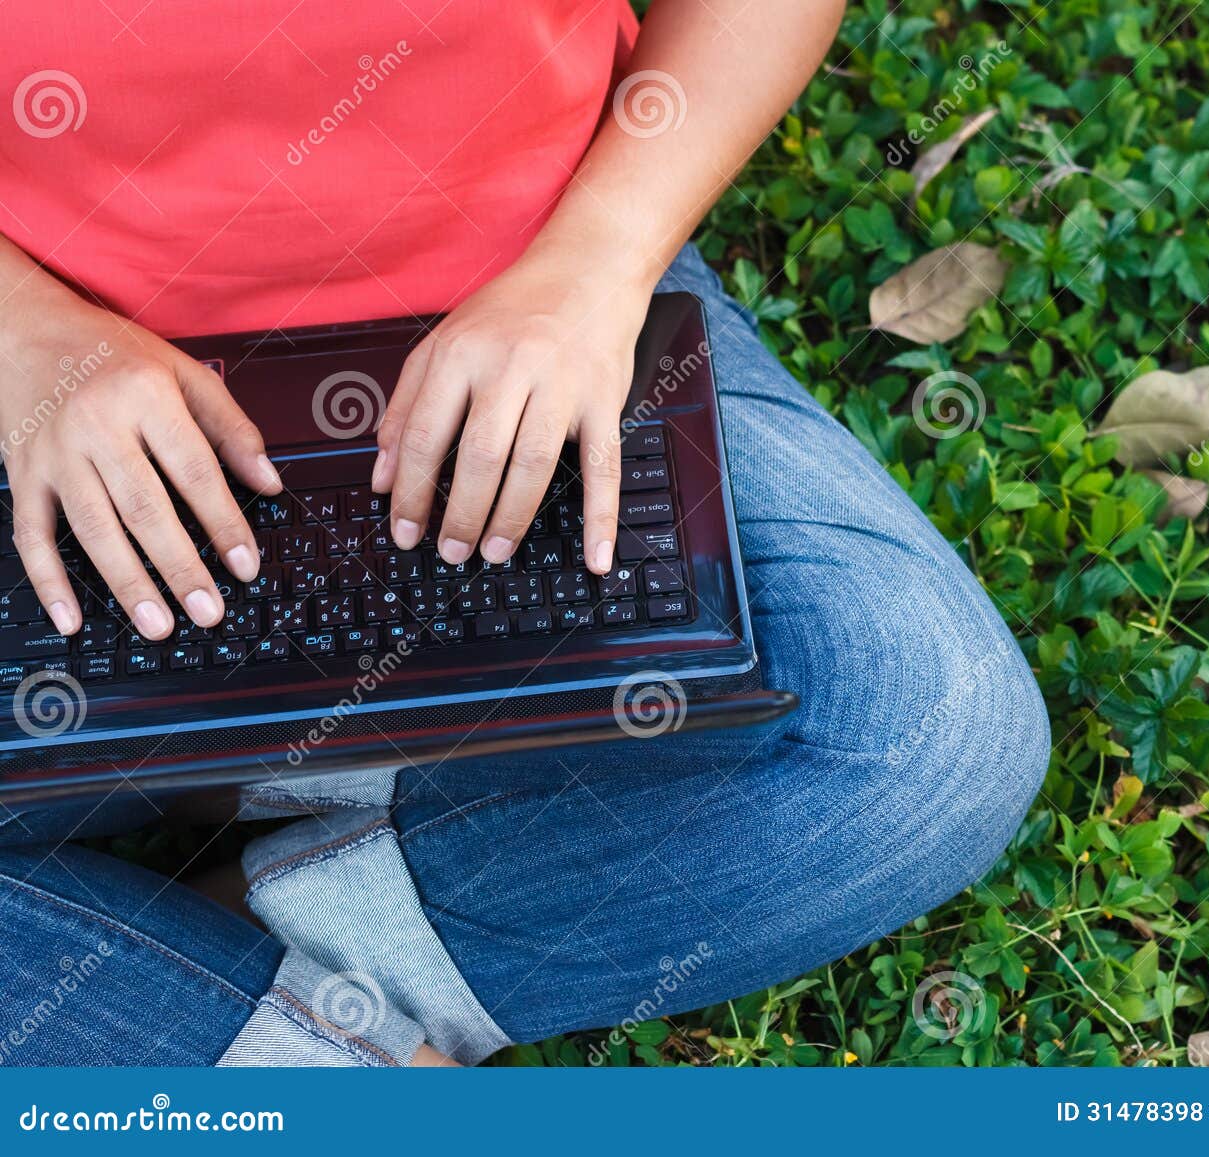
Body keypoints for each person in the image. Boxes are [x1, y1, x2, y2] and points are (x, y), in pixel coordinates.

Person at [0, 0, 1049, 1065]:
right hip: (45, 383)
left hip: (540, 296)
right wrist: (22, 330)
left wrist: (594, 263)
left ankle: (239, 987)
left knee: (923, 726)